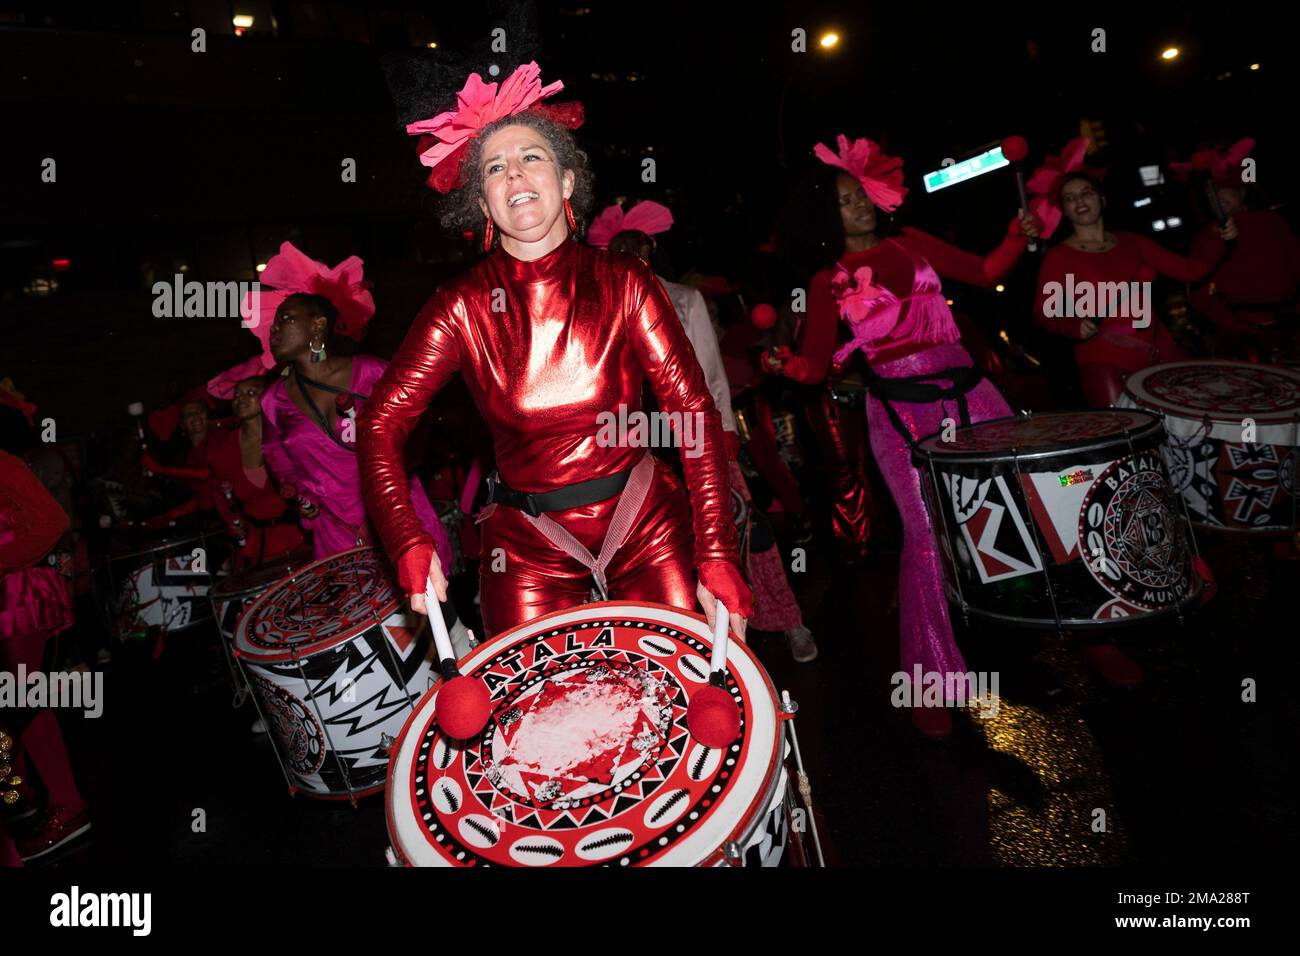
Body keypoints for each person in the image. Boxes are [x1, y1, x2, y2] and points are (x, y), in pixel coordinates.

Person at [359, 62, 751, 641]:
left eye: (532, 157)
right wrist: (406, 539)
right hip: (526, 546)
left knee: (695, 696)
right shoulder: (459, 306)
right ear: (482, 203)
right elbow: (381, 421)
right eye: (495, 167)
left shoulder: (624, 282)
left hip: (646, 523)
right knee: (534, 722)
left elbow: (693, 416)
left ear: (567, 182)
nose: (514, 173)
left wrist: (716, 549)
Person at [784, 134, 1039, 737]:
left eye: (863, 196)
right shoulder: (829, 280)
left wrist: (1015, 236)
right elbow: (816, 367)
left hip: (973, 395)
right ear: (830, 212)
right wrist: (783, 367)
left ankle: (1058, 631)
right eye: (846, 201)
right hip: (900, 416)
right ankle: (931, 681)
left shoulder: (913, 244)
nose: (861, 207)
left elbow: (982, 271)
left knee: (1017, 512)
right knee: (925, 538)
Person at [604, 213, 817, 662]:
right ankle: (685, 645)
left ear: (649, 254)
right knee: (660, 545)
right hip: (634, 445)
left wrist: (720, 433)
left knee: (741, 525)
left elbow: (709, 371)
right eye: (620, 253)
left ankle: (787, 619)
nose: (631, 261)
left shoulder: (684, 299)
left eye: (637, 252)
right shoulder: (600, 308)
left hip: (694, 437)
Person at [245, 244, 467, 653]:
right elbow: (278, 458)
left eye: (285, 320)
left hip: (395, 523)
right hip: (337, 541)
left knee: (439, 632)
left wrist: (398, 462)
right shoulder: (272, 400)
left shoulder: (371, 374)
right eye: (274, 324)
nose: (273, 331)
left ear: (317, 328)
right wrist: (299, 493)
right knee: (371, 651)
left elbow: (418, 432)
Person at [1032, 164, 1236, 407]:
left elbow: (1190, 271)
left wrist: (1217, 238)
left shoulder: (1133, 242)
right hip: (1104, 358)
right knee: (1131, 435)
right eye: (1070, 198)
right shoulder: (1059, 256)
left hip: (1157, 349)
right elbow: (1044, 312)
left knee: (1204, 413)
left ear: (1102, 199)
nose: (1079, 201)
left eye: (1086, 193)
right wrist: (1073, 327)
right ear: (1064, 210)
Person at [0, 445, 88, 862]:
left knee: (25, 704)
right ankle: (22, 801)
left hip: (18, 599)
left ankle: (67, 807)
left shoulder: (5, 462)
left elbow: (53, 523)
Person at [1182, 143, 1300, 360]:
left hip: (1291, 327)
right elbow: (1199, 292)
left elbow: (1295, 262)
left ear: (1241, 191)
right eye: (1212, 194)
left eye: (1224, 191)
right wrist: (1238, 328)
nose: (1218, 199)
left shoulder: (1270, 221)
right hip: (1242, 337)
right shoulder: (1205, 237)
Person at [203, 358, 304, 568]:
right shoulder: (223, 452)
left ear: (267, 396)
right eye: (237, 395)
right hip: (258, 550)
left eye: (251, 393)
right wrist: (233, 525)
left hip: (302, 539)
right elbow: (220, 496)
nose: (241, 399)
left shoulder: (289, 436)